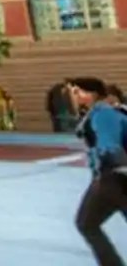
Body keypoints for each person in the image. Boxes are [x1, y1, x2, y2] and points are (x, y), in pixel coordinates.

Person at [68, 77, 127, 265]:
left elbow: (110, 147)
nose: (74, 96)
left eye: (77, 91)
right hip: (116, 177)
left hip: (113, 179)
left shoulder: (103, 114)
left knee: (86, 223)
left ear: (92, 94)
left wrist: (107, 174)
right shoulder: (103, 112)